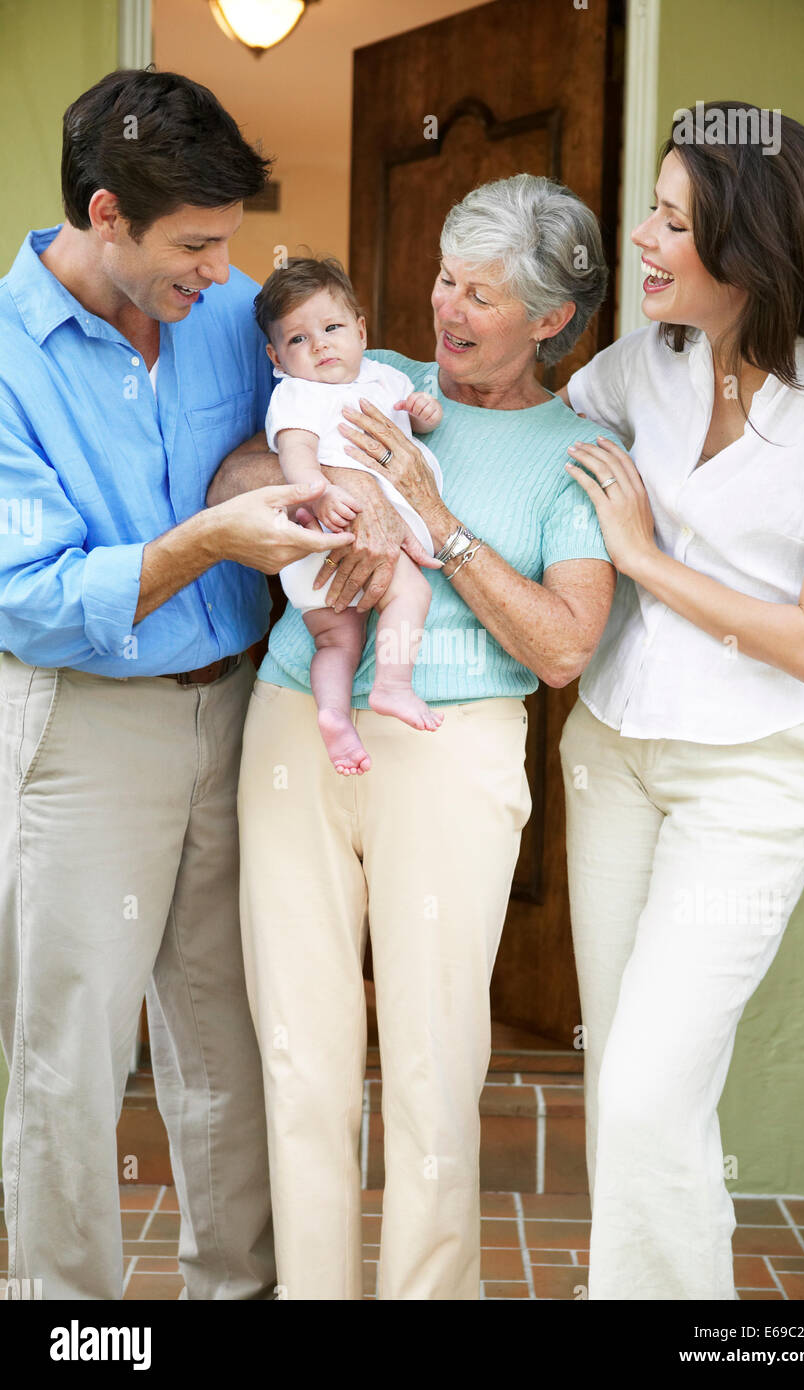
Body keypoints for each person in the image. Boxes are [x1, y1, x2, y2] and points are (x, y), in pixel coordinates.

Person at [208, 173, 617, 1299]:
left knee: (435, 1064)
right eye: (446, 277)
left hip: (451, 746)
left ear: (549, 319)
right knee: (300, 1057)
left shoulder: (572, 454)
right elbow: (245, 464)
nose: (449, 308)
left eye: (482, 295)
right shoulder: (363, 377)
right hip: (297, 721)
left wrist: (432, 522)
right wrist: (317, 492)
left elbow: (565, 645)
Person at [0, 68, 350, 1301]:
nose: (218, 272)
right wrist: (210, 540)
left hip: (245, 706)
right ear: (106, 215)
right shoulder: (4, 355)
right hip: (90, 726)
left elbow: (300, 416)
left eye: (226, 244)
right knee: (72, 1055)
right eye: (194, 246)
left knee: (229, 1039)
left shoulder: (230, 303)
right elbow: (26, 592)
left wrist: (259, 466)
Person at [559, 103, 804, 1300]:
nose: (639, 236)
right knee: (630, 1094)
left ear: (754, 250)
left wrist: (640, 558)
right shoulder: (646, 364)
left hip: (753, 776)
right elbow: (537, 436)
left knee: (647, 1090)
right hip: (615, 748)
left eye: (673, 221)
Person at [256, 257, 447, 774]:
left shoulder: (385, 378)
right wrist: (318, 496)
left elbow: (407, 431)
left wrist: (423, 417)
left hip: (325, 556)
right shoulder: (297, 393)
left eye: (332, 328)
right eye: (297, 339)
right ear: (276, 355)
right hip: (332, 531)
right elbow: (295, 454)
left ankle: (334, 715)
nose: (318, 345)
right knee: (412, 593)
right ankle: (393, 684)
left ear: (361, 330)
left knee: (335, 639)